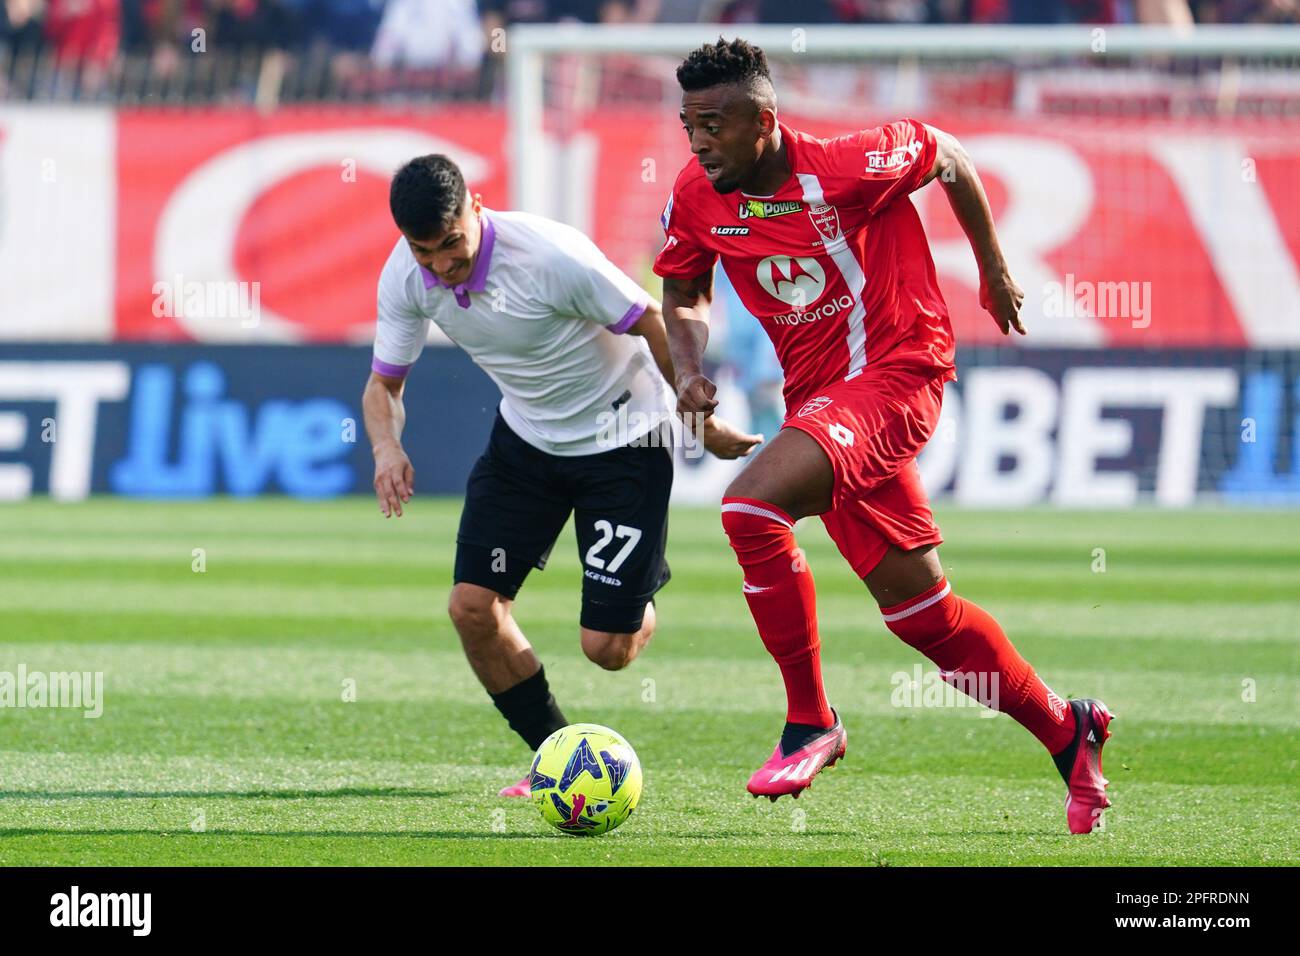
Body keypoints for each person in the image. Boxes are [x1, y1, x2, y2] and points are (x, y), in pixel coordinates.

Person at [654, 38, 1113, 833]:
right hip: (821, 405)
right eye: (687, 124)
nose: (697, 142)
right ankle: (1069, 731)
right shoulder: (698, 193)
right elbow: (684, 289)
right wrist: (689, 370)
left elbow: (953, 157)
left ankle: (810, 721)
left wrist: (994, 269)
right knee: (921, 615)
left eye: (713, 125)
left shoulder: (849, 164)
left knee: (749, 510)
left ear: (762, 121)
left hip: (899, 373)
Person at [363, 154, 760, 795]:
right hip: (526, 445)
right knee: (472, 608)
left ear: (478, 207)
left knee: (608, 649)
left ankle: (637, 592)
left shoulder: (550, 256)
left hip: (625, 441)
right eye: (423, 251)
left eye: (451, 245)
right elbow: (383, 386)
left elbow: (651, 319)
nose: (439, 265)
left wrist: (698, 418)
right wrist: (386, 447)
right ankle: (557, 758)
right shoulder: (405, 276)